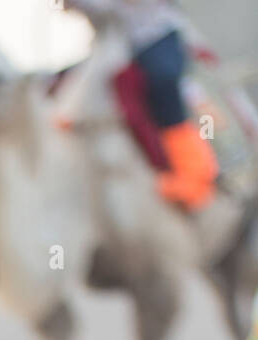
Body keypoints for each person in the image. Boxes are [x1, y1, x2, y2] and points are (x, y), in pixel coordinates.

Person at [64, 0, 217, 209]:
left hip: (160, 40)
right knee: (139, 110)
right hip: (135, 52)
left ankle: (194, 176)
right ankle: (171, 170)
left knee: (167, 100)